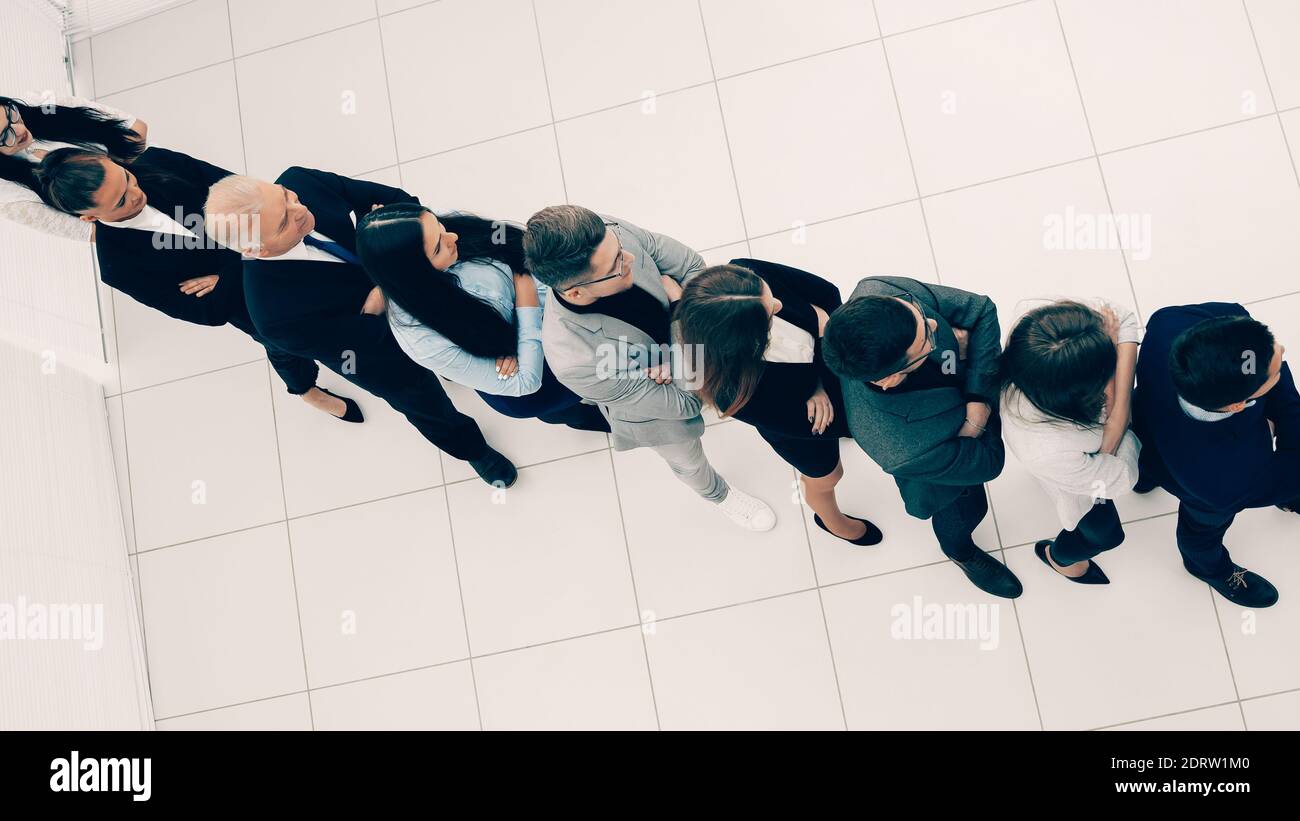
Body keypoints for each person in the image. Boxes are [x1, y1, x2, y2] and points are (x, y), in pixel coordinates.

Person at [203, 167, 516, 487]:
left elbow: (399, 202)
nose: (300, 210)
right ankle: (473, 449)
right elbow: (367, 341)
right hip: (377, 351)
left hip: (410, 293)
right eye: (284, 222)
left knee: (459, 331)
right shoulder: (274, 316)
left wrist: (387, 279)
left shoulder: (299, 180)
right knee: (424, 403)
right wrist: (393, 278)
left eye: (286, 197)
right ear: (255, 250)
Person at [36, 147, 360, 422]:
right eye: (120, 201)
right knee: (287, 346)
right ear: (90, 217)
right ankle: (306, 390)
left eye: (126, 178)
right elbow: (205, 311)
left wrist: (226, 275)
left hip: (281, 247)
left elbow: (241, 193)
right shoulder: (118, 267)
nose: (136, 194)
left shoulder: (157, 162)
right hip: (251, 304)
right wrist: (246, 260)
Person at [523, 204, 776, 531]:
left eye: (619, 246)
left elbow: (690, 265)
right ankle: (718, 495)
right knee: (687, 460)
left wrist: (676, 357)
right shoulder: (574, 359)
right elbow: (686, 402)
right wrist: (679, 309)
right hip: (656, 414)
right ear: (575, 291)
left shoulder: (607, 235)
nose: (629, 257)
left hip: (675, 370)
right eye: (616, 265)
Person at [823, 276, 1022, 598]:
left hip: (949, 430)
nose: (933, 322)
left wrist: (975, 395)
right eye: (927, 336)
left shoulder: (878, 292)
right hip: (940, 476)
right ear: (890, 379)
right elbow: (988, 462)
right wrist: (978, 414)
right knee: (967, 511)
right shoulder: (901, 446)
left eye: (919, 315)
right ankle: (960, 552)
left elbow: (981, 309)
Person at [674, 258, 882, 545]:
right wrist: (824, 330)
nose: (779, 305)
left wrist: (819, 381)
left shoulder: (746, 272)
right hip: (801, 428)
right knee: (828, 476)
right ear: (742, 340)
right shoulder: (732, 391)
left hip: (822, 387)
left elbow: (828, 293)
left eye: (768, 293)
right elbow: (816, 423)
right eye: (768, 312)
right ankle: (832, 522)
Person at [354, 202, 607, 432]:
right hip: (544, 380)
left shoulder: (448, 232)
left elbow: (518, 245)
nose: (452, 236)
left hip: (563, 324)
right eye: (438, 247)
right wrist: (524, 288)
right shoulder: (422, 341)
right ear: (415, 273)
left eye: (440, 225)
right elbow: (526, 381)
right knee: (568, 407)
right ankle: (589, 419)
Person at [1133, 303, 1299, 608]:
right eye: (1274, 370)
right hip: (1203, 487)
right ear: (1237, 405)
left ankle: (1143, 479)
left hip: (1147, 429)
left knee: (1147, 466)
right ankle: (1206, 567)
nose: (1282, 349)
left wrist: (1264, 363)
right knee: (1202, 530)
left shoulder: (1169, 322)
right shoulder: (1230, 479)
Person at [999, 300, 1141, 584]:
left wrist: (1118, 410)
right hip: (1076, 483)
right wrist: (1117, 416)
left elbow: (1122, 317)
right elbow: (1122, 477)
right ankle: (1060, 558)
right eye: (1106, 371)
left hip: (1085, 456)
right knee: (1105, 534)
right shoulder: (1047, 447)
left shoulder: (1056, 332)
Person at [1, 92, 147, 241]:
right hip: (136, 225)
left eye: (10, 114)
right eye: (4, 136)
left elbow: (136, 130)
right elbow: (92, 232)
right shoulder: (7, 196)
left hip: (153, 168)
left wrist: (128, 181)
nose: (19, 129)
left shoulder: (41, 105)